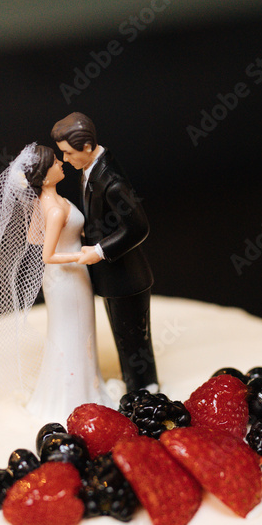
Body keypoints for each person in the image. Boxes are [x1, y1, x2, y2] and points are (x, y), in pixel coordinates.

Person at [0, 143, 109, 420]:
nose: (61, 163)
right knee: (75, 332)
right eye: (55, 162)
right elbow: (48, 254)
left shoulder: (42, 203)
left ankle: (79, 391)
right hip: (69, 278)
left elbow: (33, 237)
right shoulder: (54, 210)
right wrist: (81, 255)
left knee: (70, 332)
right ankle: (78, 399)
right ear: (43, 178)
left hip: (61, 279)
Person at [51, 112, 158, 393]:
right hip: (111, 276)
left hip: (126, 275)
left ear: (86, 147)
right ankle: (134, 383)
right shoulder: (90, 170)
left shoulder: (112, 181)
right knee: (122, 335)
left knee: (133, 337)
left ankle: (145, 388)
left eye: (67, 153)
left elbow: (138, 227)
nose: (64, 160)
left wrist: (99, 250)